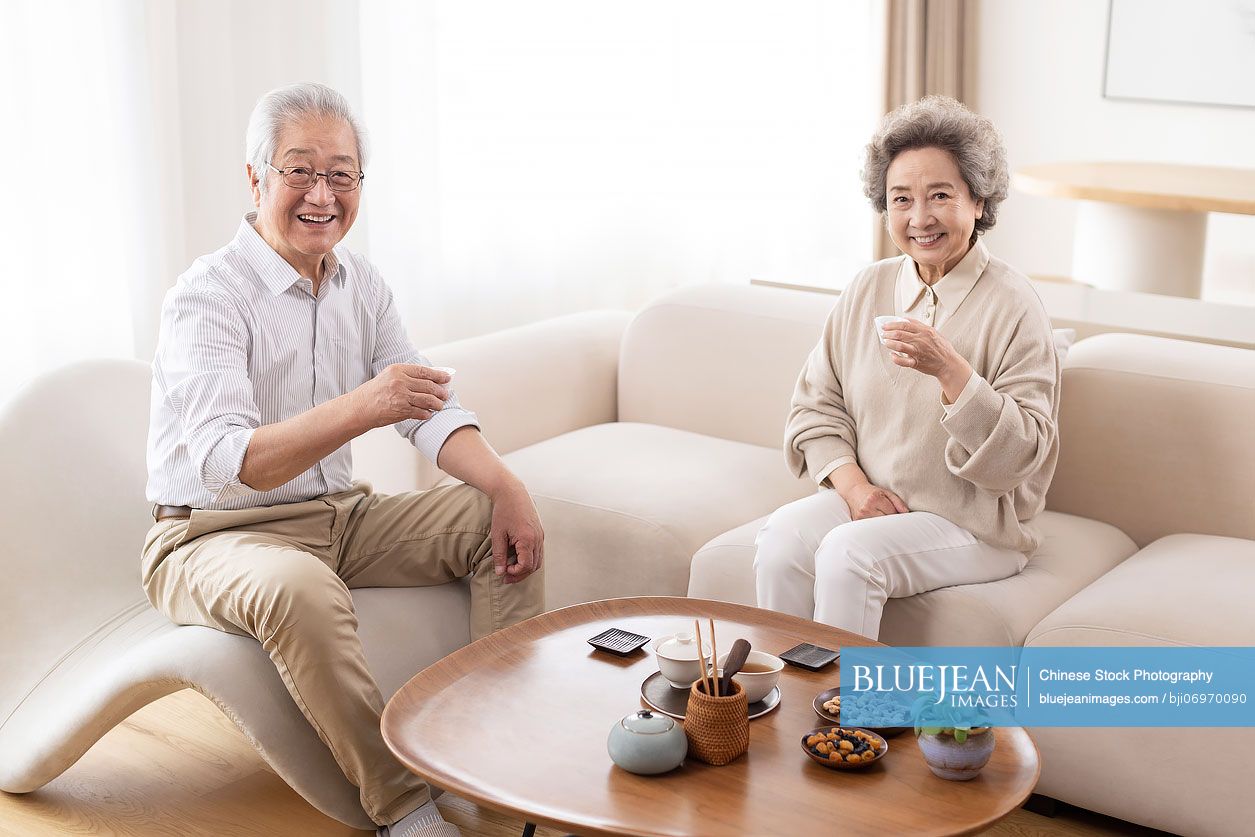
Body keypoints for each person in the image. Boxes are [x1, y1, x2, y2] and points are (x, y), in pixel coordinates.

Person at [142, 82, 544, 837]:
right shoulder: (207, 296)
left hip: (338, 515)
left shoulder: (362, 283)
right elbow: (233, 463)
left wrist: (507, 481)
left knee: (498, 517)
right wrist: (367, 404)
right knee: (299, 587)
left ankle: (494, 773)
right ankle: (405, 805)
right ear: (256, 178)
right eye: (300, 170)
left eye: (342, 174)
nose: (322, 193)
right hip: (209, 536)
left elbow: (422, 403)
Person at [754, 95, 1059, 640]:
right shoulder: (868, 287)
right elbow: (815, 406)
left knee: (850, 555)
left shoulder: (1015, 305)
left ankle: (852, 724)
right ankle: (788, 711)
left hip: (975, 527)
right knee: (781, 540)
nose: (920, 218)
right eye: (901, 199)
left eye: (940, 195)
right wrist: (854, 492)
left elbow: (1023, 457)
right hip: (876, 502)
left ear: (979, 201)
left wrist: (951, 373)